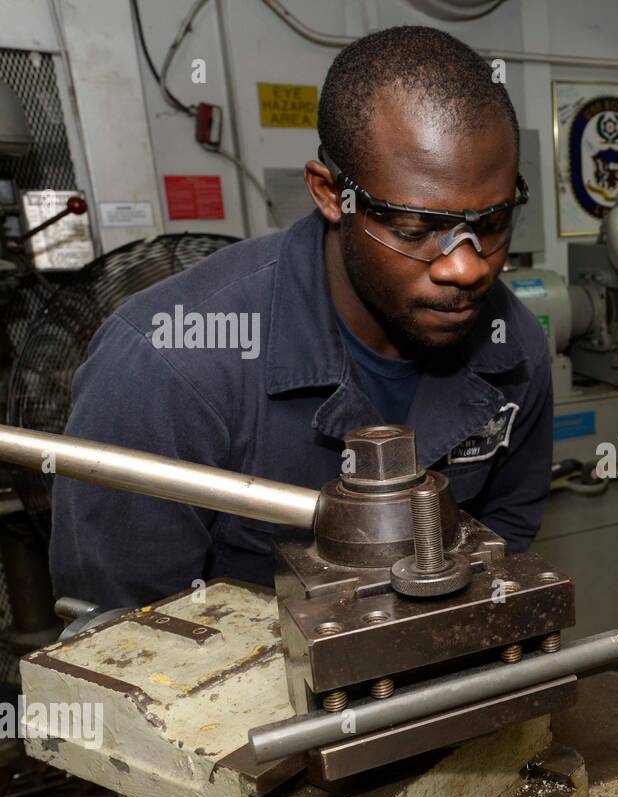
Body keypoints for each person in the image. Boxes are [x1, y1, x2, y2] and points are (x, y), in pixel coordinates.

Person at [50, 25, 552, 608]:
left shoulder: (511, 343)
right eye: (415, 230)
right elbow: (123, 642)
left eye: (490, 224)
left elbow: (506, 536)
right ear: (329, 193)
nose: (466, 268)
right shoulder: (166, 369)